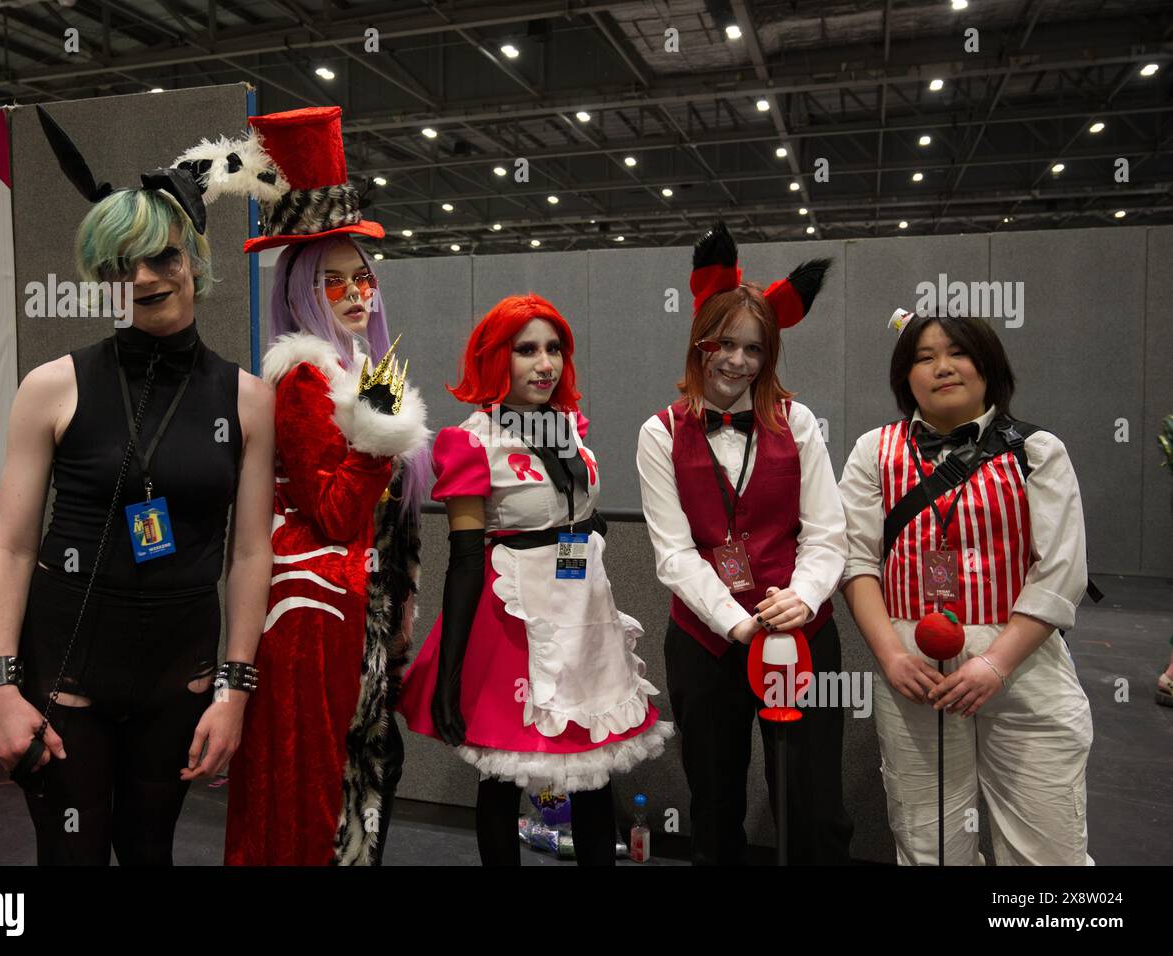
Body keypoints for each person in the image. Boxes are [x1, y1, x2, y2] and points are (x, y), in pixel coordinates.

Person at [0, 108, 275, 865]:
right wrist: (0, 688)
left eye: (161, 258)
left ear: (194, 262)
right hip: (67, 666)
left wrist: (235, 689)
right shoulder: (51, 387)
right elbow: (11, 547)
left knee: (151, 853)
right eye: (119, 267)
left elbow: (248, 556)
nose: (142, 279)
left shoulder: (246, 400)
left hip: (181, 673)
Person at [185, 106, 433, 866]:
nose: (358, 295)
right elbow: (331, 512)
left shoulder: (353, 368)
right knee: (313, 792)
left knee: (354, 783)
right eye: (336, 283)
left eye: (363, 278)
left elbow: (383, 516)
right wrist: (374, 443)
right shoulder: (304, 373)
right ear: (302, 287)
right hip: (315, 611)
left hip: (358, 605)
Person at [397, 293, 672, 866]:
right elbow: (467, 559)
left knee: (592, 774)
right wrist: (449, 673)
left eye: (554, 349)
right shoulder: (472, 441)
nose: (545, 363)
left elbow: (576, 513)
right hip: (511, 623)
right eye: (527, 350)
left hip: (584, 614)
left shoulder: (569, 427)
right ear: (497, 358)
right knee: (504, 778)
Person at [838, 308, 1093, 865]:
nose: (942, 367)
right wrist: (890, 657)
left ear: (988, 366)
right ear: (905, 377)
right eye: (923, 358)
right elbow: (857, 562)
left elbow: (1061, 571)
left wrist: (995, 663)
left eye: (957, 353)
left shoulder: (1037, 450)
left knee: (1046, 843)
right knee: (929, 842)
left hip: (1023, 662)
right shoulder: (872, 451)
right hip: (912, 668)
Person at [635, 220, 852, 865]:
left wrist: (804, 599)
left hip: (800, 639)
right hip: (706, 643)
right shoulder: (657, 432)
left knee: (809, 800)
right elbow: (673, 553)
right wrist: (735, 623)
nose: (737, 361)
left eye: (754, 350)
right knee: (716, 801)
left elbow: (827, 531)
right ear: (700, 343)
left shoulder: (798, 420)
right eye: (724, 344)